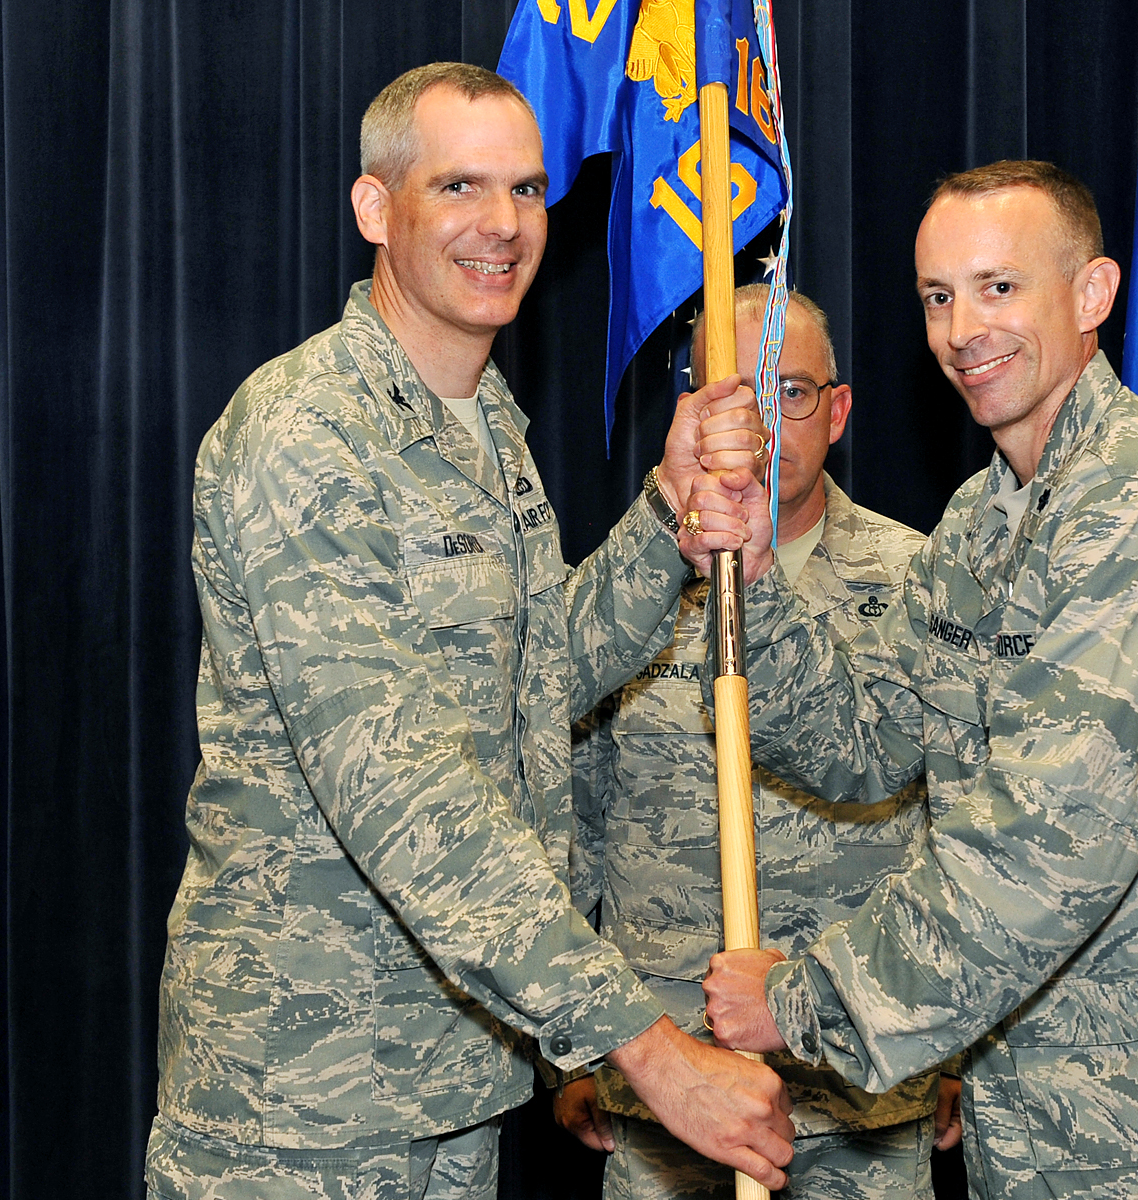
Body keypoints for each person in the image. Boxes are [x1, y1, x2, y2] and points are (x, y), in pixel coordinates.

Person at [145, 63, 792, 1200]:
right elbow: (398, 788)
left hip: (449, 1090)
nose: (503, 225)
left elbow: (531, 688)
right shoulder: (308, 433)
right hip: (303, 1103)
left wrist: (665, 521)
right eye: (459, 187)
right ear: (375, 208)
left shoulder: (488, 426)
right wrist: (644, 1047)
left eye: (529, 191)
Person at [692, 161, 1138, 1200]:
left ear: (1093, 296)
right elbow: (865, 739)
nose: (963, 328)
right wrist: (755, 577)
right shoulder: (981, 525)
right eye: (939, 296)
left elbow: (1047, 846)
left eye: (999, 287)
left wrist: (804, 1003)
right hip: (1059, 1146)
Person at [554, 285, 956, 1200]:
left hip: (867, 1095)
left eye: (793, 394)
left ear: (840, 409)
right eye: (733, 396)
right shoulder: (625, 597)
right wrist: (572, 1044)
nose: (760, 426)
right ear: (692, 411)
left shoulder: (925, 584)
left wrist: (959, 1041)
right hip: (669, 1097)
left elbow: (965, 833)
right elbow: (571, 821)